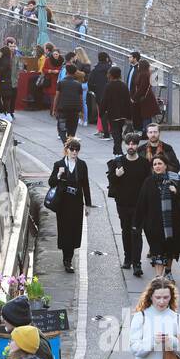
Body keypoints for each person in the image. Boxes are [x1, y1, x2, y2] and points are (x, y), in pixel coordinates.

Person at [134, 156, 180, 282]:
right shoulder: (148, 182)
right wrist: (137, 223)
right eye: (155, 164)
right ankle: (158, 278)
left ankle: (168, 271)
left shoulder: (175, 180)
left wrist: (176, 191)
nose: (157, 166)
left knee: (170, 249)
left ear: (165, 165)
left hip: (172, 224)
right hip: (153, 224)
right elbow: (141, 203)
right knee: (157, 250)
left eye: (159, 163)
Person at [108, 130, 150, 278]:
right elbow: (111, 182)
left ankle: (137, 263)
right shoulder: (117, 162)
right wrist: (116, 175)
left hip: (139, 206)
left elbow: (148, 184)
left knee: (136, 233)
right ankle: (127, 258)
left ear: (138, 145)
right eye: (128, 143)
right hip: (123, 204)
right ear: (125, 145)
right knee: (125, 231)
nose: (131, 146)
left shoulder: (144, 163)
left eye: (134, 143)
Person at [48, 136, 92, 273]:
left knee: (74, 230)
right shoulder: (59, 164)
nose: (74, 152)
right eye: (72, 149)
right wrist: (59, 175)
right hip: (63, 202)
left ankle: (69, 258)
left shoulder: (82, 164)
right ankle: (66, 259)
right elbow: (51, 182)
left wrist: (88, 204)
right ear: (66, 150)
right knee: (64, 230)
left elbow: (86, 185)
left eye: (77, 150)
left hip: (77, 202)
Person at [99, 65, 133, 154]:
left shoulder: (108, 86)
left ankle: (118, 151)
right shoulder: (124, 86)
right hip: (122, 113)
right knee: (119, 130)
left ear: (110, 75)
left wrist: (101, 112)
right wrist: (129, 115)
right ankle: (116, 150)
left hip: (113, 113)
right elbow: (127, 101)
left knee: (115, 133)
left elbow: (104, 100)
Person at [130, 56, 161, 130]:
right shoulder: (146, 73)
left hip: (145, 99)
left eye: (139, 65)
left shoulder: (143, 74)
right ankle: (147, 131)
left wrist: (134, 98)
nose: (138, 66)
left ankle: (147, 132)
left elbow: (142, 88)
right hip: (147, 98)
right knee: (147, 115)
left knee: (146, 116)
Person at [55, 65, 83, 141]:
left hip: (63, 109)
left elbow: (57, 97)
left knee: (62, 130)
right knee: (72, 131)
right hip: (74, 110)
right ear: (75, 73)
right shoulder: (78, 84)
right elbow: (81, 99)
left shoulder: (61, 83)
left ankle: (65, 143)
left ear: (66, 72)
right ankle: (70, 144)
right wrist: (81, 110)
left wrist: (54, 109)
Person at [88, 52, 112, 138]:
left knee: (101, 113)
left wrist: (94, 91)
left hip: (99, 93)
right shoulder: (110, 68)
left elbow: (90, 82)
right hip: (110, 93)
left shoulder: (95, 69)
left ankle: (104, 131)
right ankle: (110, 130)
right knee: (110, 113)